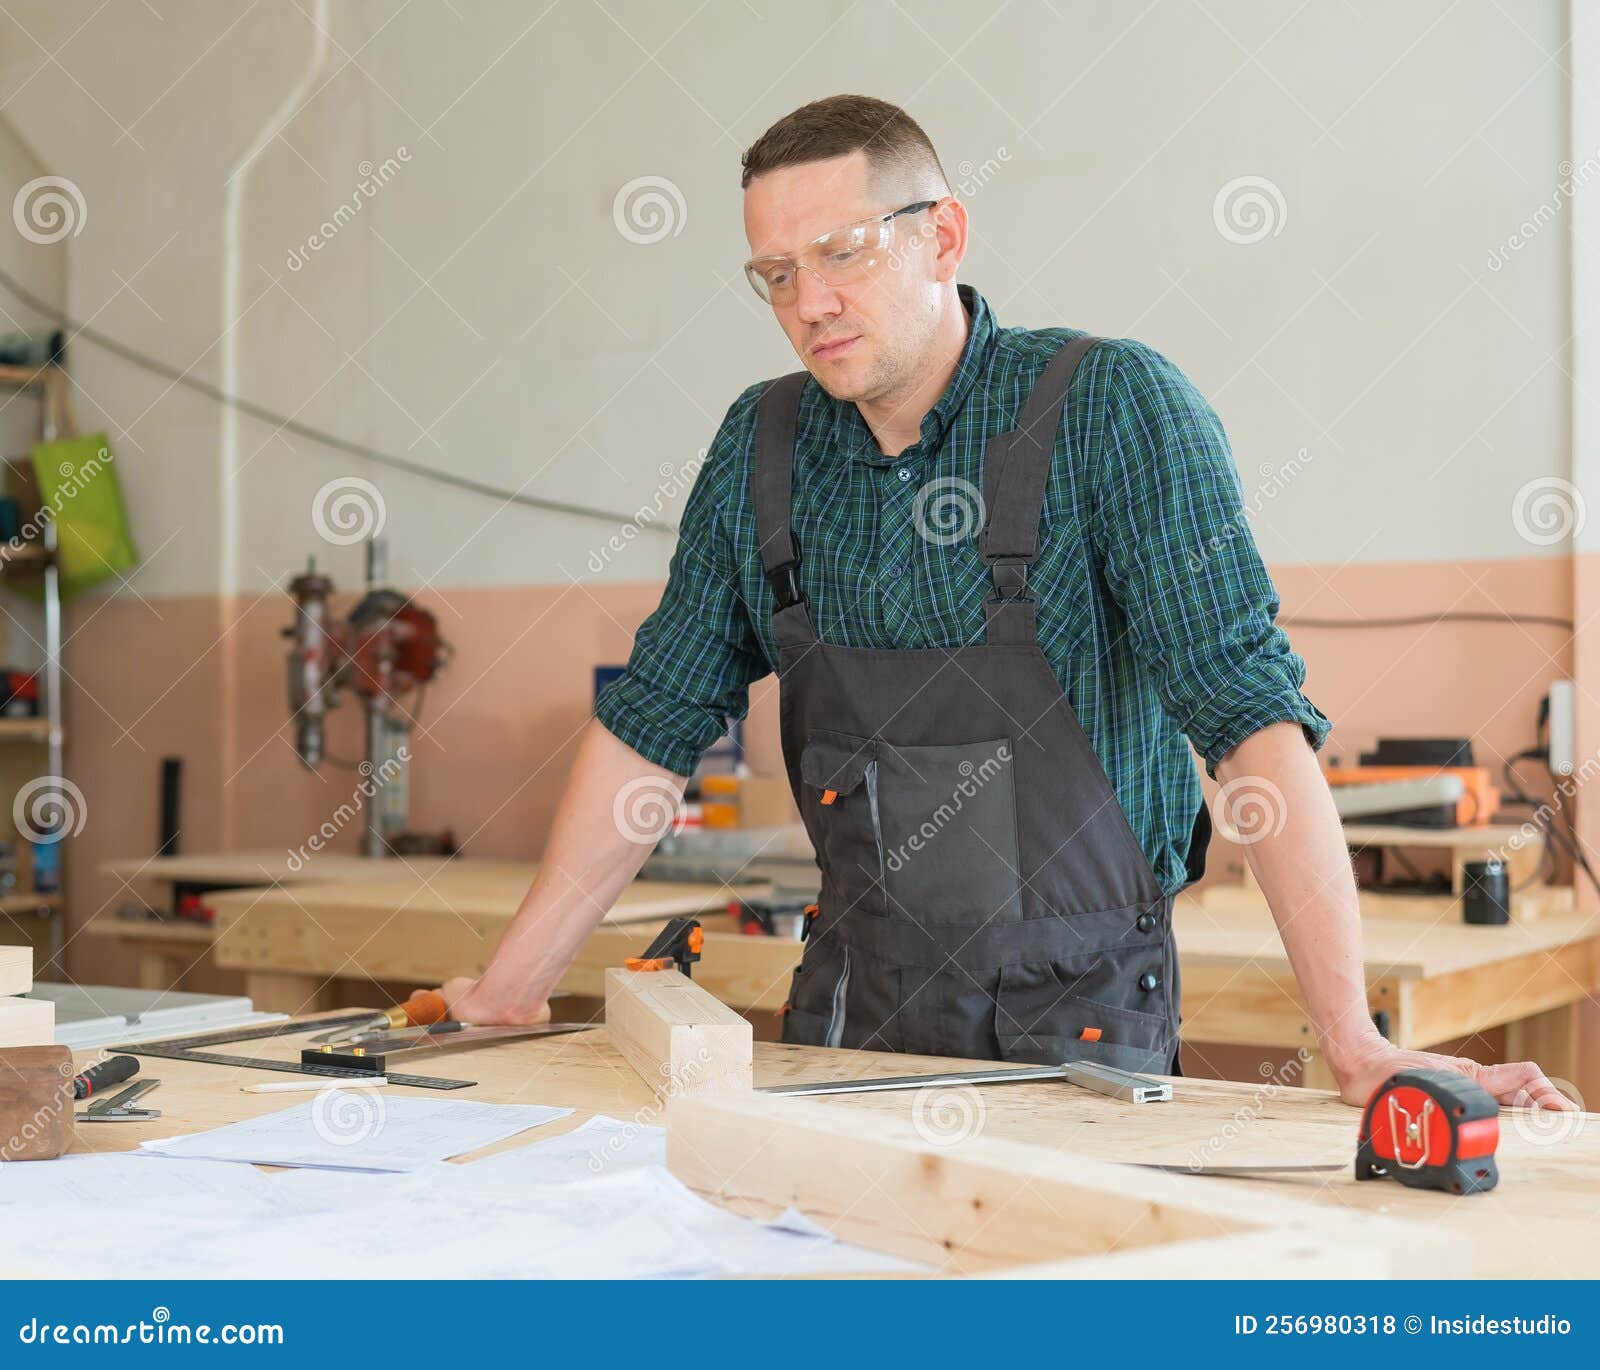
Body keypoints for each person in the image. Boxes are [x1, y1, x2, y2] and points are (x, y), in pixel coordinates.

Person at [442, 94, 1570, 1111]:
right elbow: (652, 722)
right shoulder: (762, 444)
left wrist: (1352, 1040)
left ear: (943, 235)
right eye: (775, 273)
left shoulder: (1108, 409)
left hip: (1075, 1044)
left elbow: (1250, 723)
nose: (810, 302)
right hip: (843, 1036)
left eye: (842, 251)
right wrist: (510, 985)